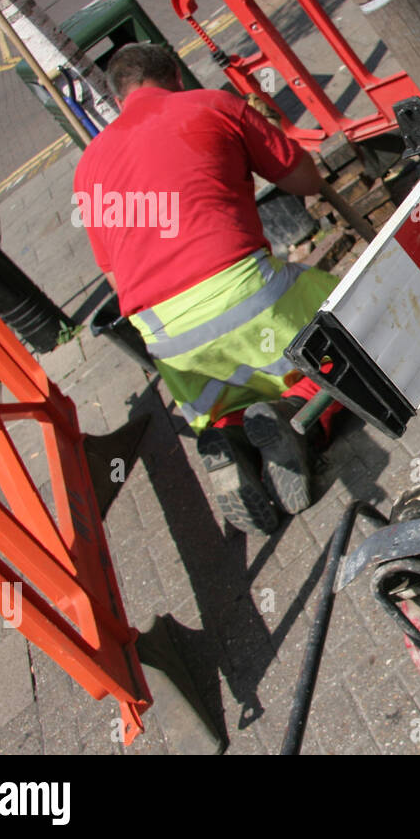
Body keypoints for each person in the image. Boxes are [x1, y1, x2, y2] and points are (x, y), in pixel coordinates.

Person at [73, 42, 341, 536]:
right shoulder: (212, 105)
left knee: (225, 395)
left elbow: (115, 278)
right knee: (352, 326)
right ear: (176, 74)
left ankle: (230, 434)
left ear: (116, 98)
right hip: (243, 291)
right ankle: (300, 414)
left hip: (165, 339)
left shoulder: (88, 167)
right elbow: (304, 181)